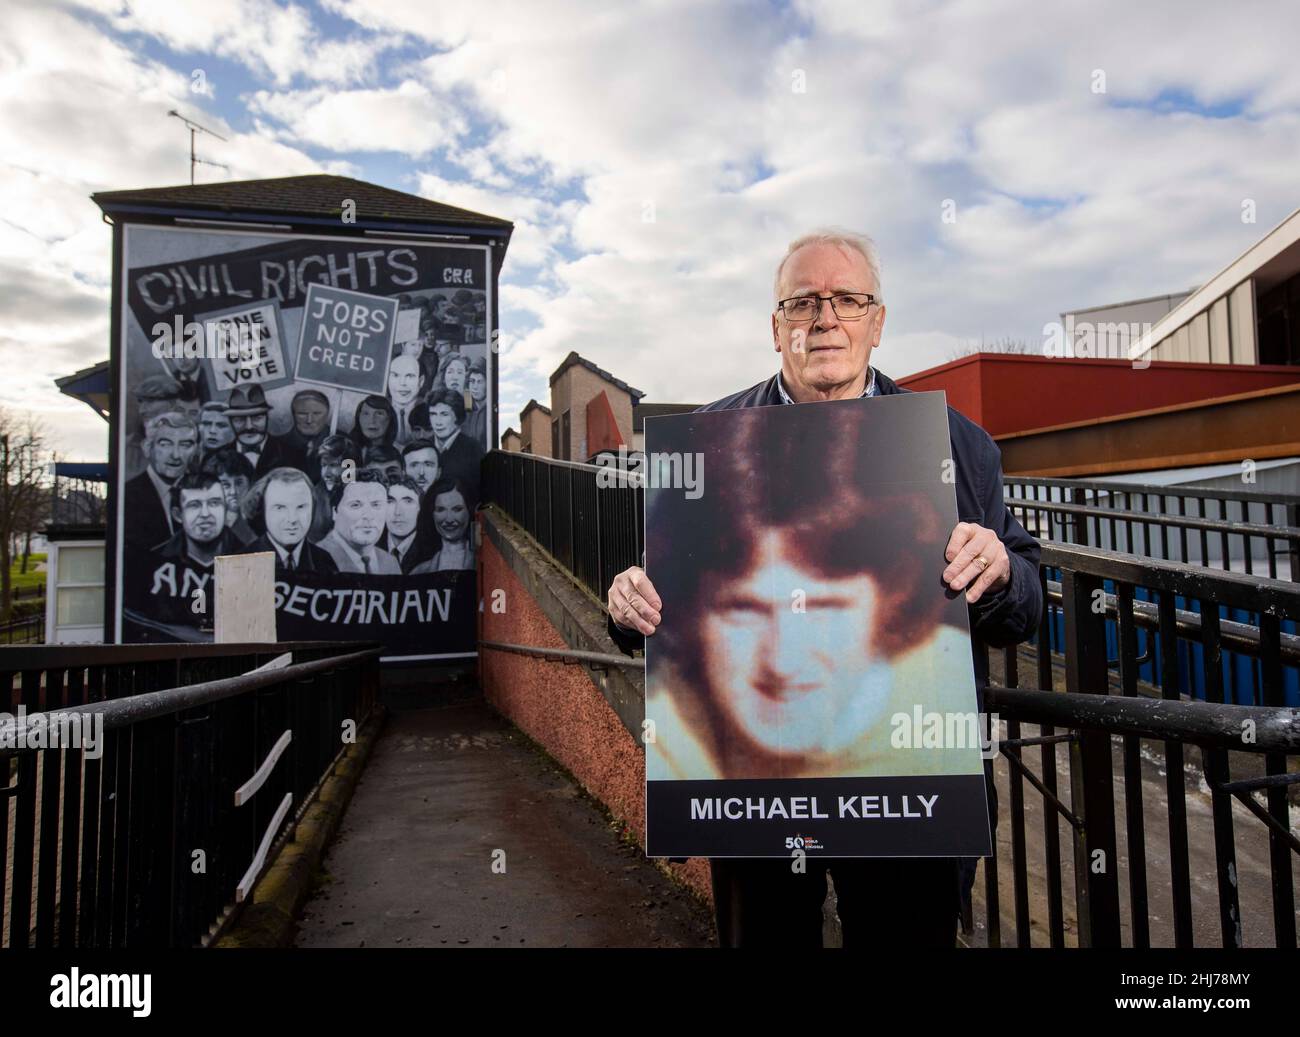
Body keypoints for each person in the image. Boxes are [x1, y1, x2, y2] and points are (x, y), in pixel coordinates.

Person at [603, 229, 1043, 949]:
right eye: (802, 302)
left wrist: (998, 571)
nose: (824, 317)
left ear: (877, 321)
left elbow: (1025, 606)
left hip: (906, 794)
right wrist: (624, 602)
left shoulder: (958, 446)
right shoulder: (709, 441)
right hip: (751, 797)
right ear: (775, 328)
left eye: (847, 299)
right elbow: (655, 597)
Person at [124, 472, 239, 639]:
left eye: (214, 503)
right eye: (194, 505)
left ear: (225, 510)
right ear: (178, 515)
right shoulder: (151, 565)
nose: (205, 514)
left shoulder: (250, 558)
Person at [240, 467, 339, 574]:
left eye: (301, 507)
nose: (292, 519)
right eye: (280, 508)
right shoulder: (239, 565)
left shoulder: (325, 562)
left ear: (313, 509)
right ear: (262, 509)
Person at [123, 411, 199, 551]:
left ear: (195, 450)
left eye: (185, 445)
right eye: (165, 444)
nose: (176, 455)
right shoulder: (126, 497)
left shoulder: (204, 493)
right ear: (147, 448)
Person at [317, 470, 402, 574]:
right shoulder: (315, 560)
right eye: (355, 505)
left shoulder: (390, 562)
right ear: (335, 511)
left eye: (376, 505)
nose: (368, 516)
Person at [226, 384, 293, 479]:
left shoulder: (293, 455)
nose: (248, 426)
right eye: (240, 419)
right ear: (230, 421)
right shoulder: (216, 457)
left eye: (257, 418)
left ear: (267, 418)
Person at [411, 479, 475, 573]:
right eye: (441, 510)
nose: (449, 519)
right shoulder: (419, 571)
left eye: (457, 509)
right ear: (431, 514)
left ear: (469, 511)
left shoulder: (483, 563)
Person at [425, 388, 484, 489]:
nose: (438, 422)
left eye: (444, 414)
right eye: (433, 414)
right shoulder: (424, 446)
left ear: (457, 416)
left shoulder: (472, 449)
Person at [199, 447, 257, 546]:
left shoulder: (257, 525)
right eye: (225, 485)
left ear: (250, 484)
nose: (233, 492)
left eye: (239, 483)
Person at [382, 476, 435, 573]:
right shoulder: (370, 547)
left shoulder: (432, 552)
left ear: (420, 509)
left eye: (408, 502)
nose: (398, 512)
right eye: (390, 501)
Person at [386, 354, 426, 446]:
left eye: (410, 376)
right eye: (395, 375)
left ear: (421, 381)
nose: (402, 383)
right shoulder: (377, 409)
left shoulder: (430, 411)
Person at [462, 359, 488, 446]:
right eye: (472, 381)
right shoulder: (465, 406)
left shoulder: (490, 409)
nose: (475, 387)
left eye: (479, 382)